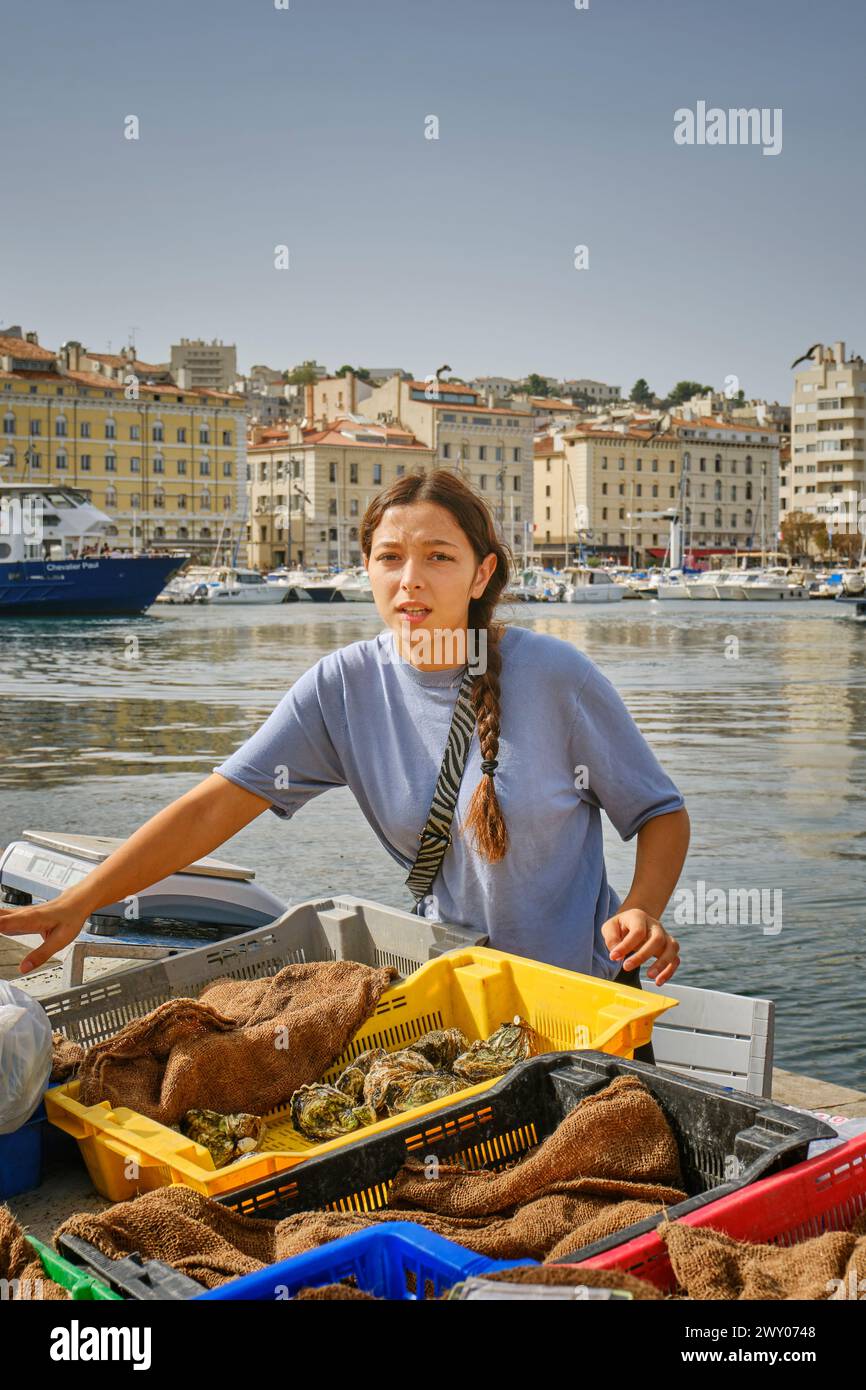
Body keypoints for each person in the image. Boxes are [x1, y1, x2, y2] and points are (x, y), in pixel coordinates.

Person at [0, 471, 688, 1062]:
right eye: (390, 557)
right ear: (367, 568)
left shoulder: (556, 675)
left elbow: (659, 813)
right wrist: (80, 901)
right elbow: (214, 805)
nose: (411, 579)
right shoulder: (342, 688)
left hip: (586, 1008)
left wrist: (641, 910)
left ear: (482, 573)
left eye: (439, 557)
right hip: (457, 1005)